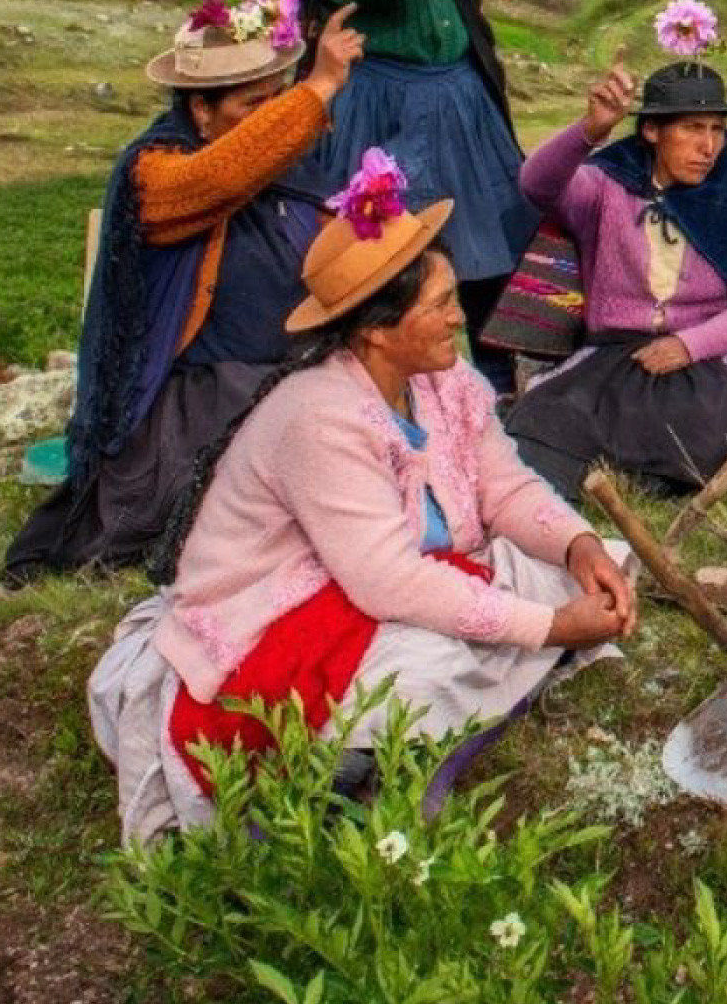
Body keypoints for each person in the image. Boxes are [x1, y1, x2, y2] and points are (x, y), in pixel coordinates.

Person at [86, 153, 639, 842]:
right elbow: (387, 581)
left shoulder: (444, 381)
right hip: (289, 610)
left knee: (596, 564)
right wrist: (552, 629)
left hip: (389, 583)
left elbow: (504, 483)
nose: (457, 319)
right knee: (432, 671)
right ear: (378, 328)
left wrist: (577, 545)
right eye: (438, 305)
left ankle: (437, 721)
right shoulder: (318, 417)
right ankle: (343, 775)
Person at [4, 0, 362, 584]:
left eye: (278, 101)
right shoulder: (155, 172)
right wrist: (317, 87)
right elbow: (219, 178)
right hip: (203, 392)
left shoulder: (290, 171)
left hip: (301, 370)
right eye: (254, 105)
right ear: (200, 110)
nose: (271, 119)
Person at [293, 0, 534, 385]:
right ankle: (392, 382)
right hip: (382, 113)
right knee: (396, 254)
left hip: (460, 109)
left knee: (487, 247)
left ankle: (495, 386)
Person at [501, 61, 727, 493]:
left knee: (709, 425)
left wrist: (687, 345)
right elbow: (536, 184)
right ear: (652, 131)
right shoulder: (605, 188)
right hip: (614, 358)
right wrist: (589, 130)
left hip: (704, 361)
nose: (709, 146)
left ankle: (640, 479)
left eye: (716, 129)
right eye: (692, 128)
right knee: (549, 419)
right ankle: (645, 478)